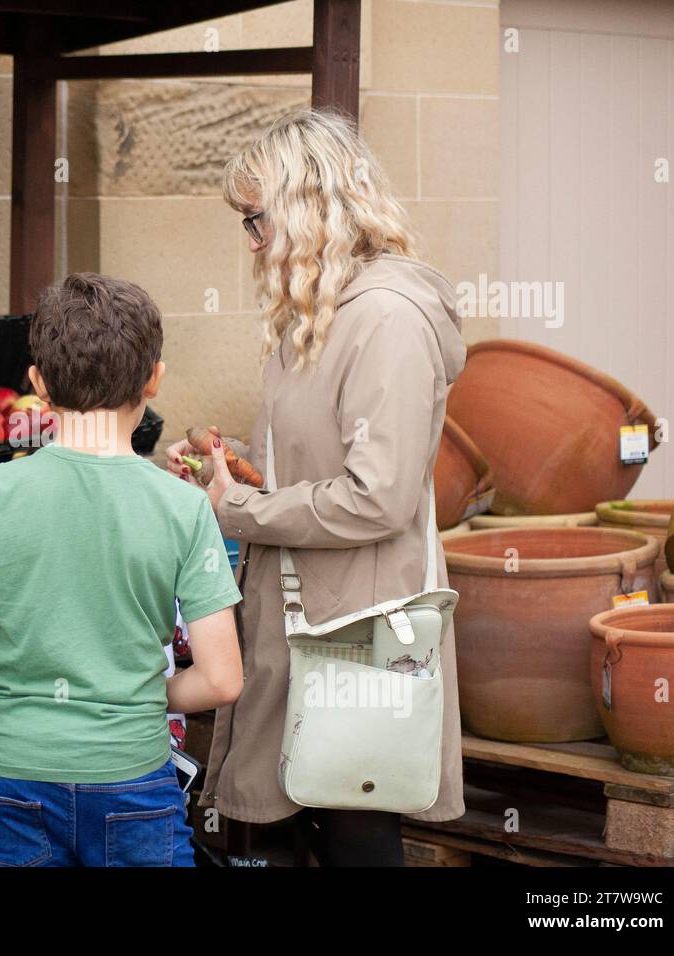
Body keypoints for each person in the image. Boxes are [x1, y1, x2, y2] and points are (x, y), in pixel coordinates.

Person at [166, 108, 467, 866]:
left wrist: (238, 511)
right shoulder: (319, 314)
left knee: (355, 834)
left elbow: (380, 495)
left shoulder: (387, 319)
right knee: (291, 827)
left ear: (310, 208)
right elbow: (306, 463)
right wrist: (224, 459)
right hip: (304, 618)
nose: (251, 242)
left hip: (356, 631)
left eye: (257, 220)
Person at [0, 272, 244, 867]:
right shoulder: (185, 506)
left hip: (14, 775)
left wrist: (3, 645)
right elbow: (221, 681)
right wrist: (136, 696)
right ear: (154, 379)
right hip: (132, 774)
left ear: (37, 383)